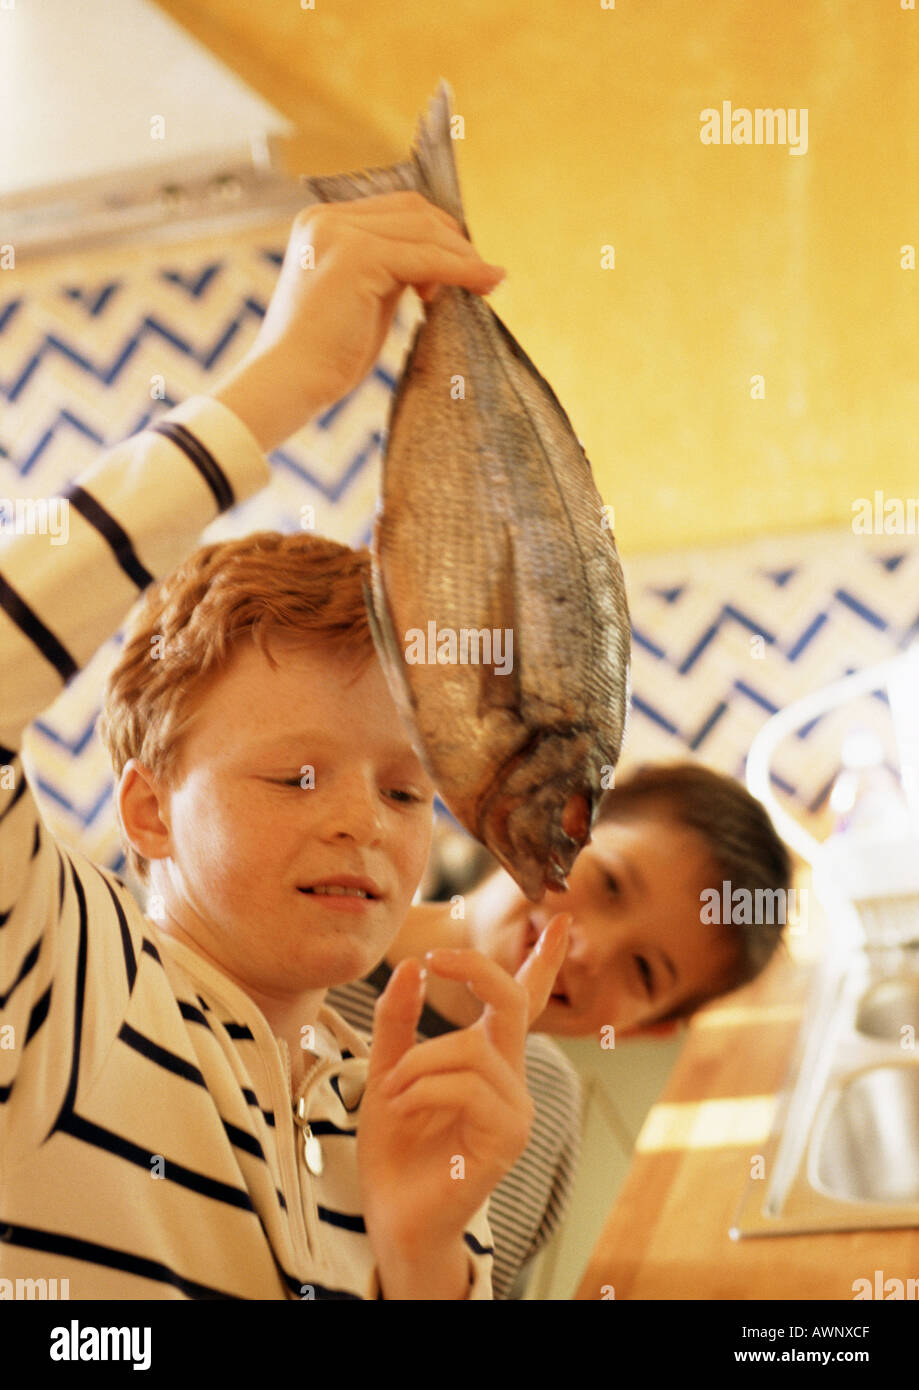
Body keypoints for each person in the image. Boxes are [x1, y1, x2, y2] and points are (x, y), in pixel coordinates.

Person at [0, 191, 572, 1301]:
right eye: (298, 773)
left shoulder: (393, 1103)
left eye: (409, 795)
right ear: (150, 808)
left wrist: (421, 1260)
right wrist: (276, 386)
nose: (365, 819)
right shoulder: (70, 983)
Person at [328, 760, 793, 1297]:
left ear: (645, 1030)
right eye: (610, 882)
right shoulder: (307, 955)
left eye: (644, 970)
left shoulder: (544, 1117)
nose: (588, 948)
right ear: (552, 820)